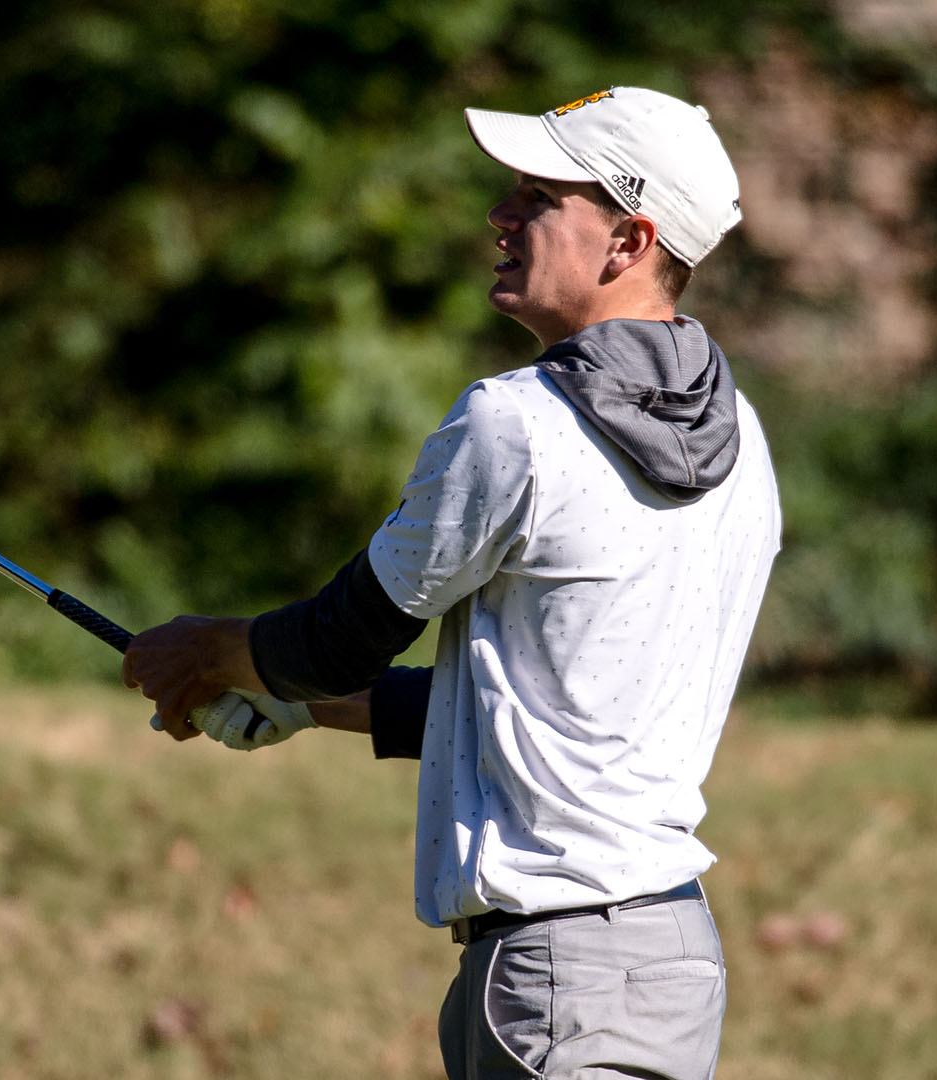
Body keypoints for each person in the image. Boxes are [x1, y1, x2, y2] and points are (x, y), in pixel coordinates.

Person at [122, 86, 781, 1080]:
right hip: (664, 963)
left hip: (556, 974)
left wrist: (215, 651)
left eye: (539, 197)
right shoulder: (748, 445)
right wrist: (300, 707)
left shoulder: (514, 424)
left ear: (627, 242)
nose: (500, 215)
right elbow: (539, 708)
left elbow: (338, 639)